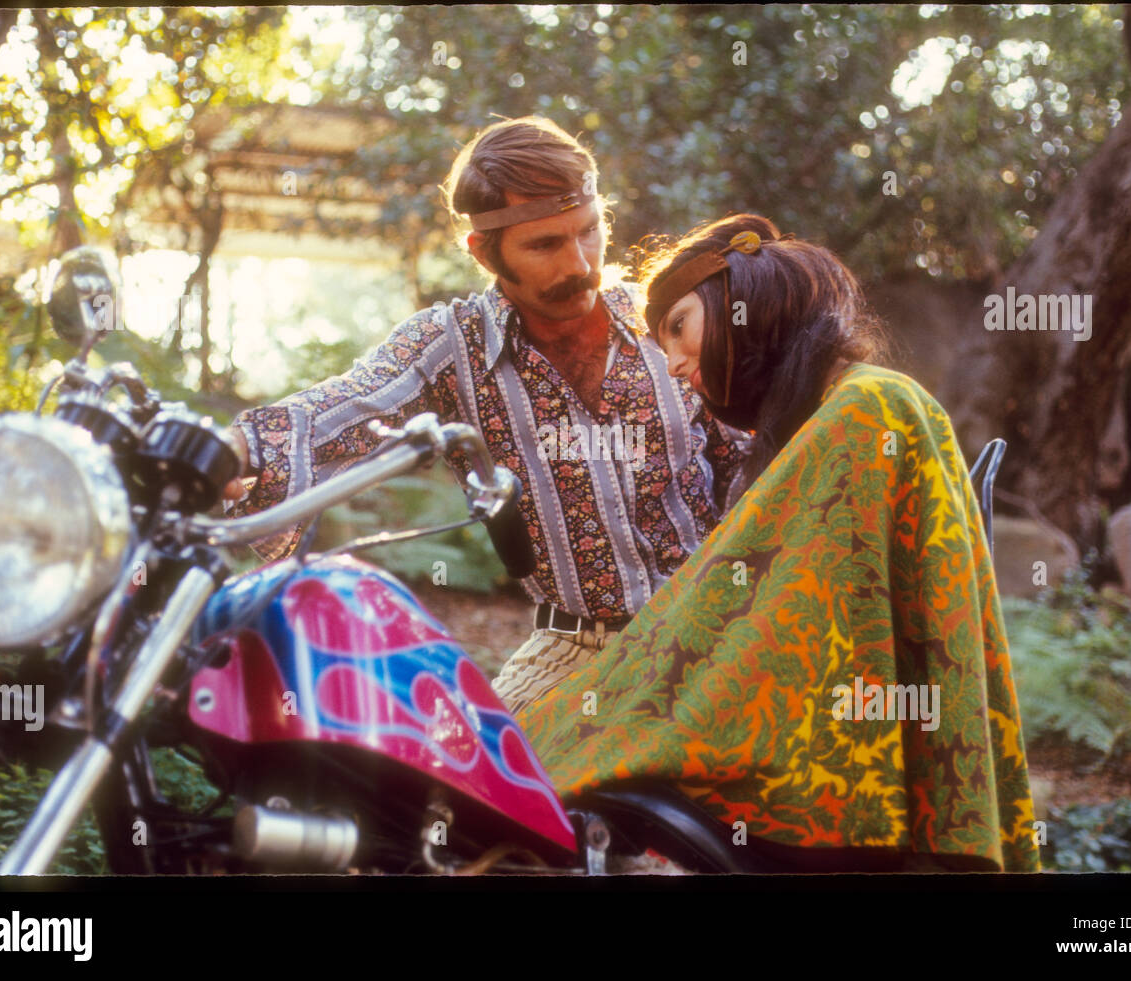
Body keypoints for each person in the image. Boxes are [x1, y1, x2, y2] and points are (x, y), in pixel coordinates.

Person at [515, 214, 1041, 872]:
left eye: (678, 327)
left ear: (740, 304)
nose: (674, 363)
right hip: (835, 737)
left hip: (840, 766)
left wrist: (647, 710)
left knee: (532, 759)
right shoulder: (833, 412)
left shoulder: (867, 407)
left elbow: (787, 626)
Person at [220, 117, 747, 712]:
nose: (580, 263)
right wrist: (230, 449)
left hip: (715, 631)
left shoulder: (666, 319)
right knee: (486, 795)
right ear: (484, 251)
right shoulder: (453, 345)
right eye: (545, 244)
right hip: (575, 652)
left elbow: (755, 457)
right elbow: (347, 403)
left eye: (590, 231)